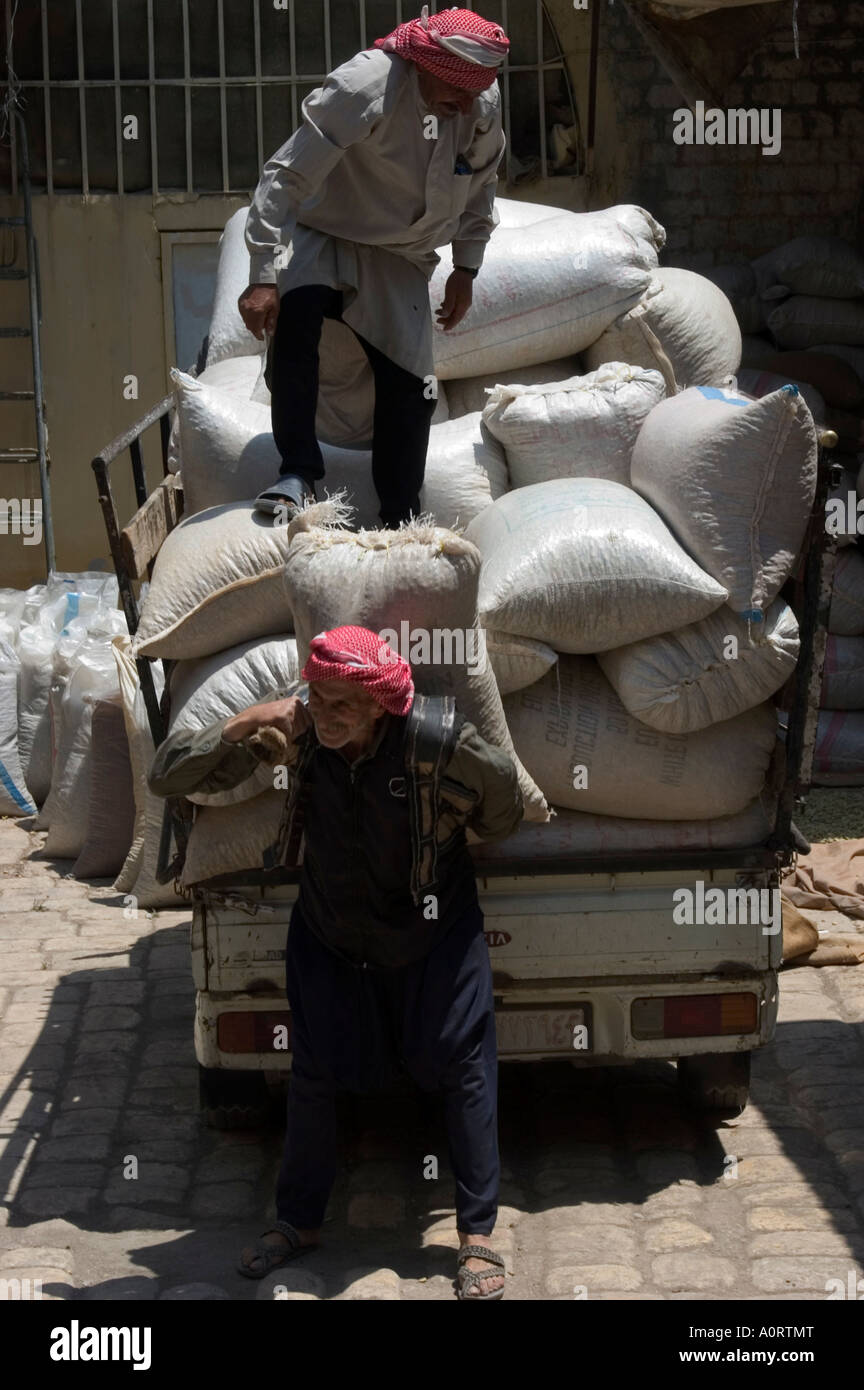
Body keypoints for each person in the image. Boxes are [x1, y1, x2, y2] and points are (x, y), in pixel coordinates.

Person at [148, 625, 524, 1299]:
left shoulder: (434, 741)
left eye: (343, 703)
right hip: (331, 934)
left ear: (381, 705)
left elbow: (503, 809)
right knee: (314, 1073)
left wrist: (447, 821)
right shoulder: (293, 734)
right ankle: (298, 1223)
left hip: (432, 933)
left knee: (463, 1065)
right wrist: (246, 721)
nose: (325, 714)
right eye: (317, 698)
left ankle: (476, 1238)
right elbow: (168, 775)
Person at [237, 6, 508, 526]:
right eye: (457, 91)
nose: (466, 104)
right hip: (325, 230)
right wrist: (263, 273)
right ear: (426, 64)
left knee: (412, 383)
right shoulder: (367, 84)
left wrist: (466, 267)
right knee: (298, 317)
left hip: (402, 253)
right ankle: (296, 473)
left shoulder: (477, 104)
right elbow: (286, 174)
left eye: (477, 91)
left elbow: (483, 182)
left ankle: (400, 516)